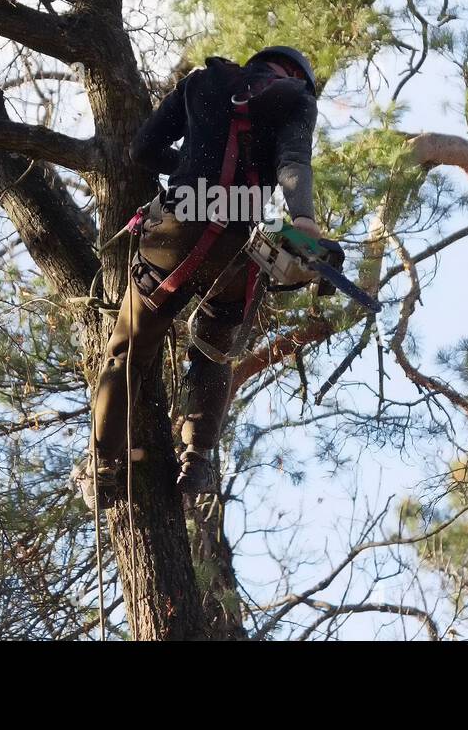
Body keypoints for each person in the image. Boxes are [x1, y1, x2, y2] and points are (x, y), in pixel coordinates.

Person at [77, 46, 322, 508]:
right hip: (235, 247)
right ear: (298, 76)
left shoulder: (199, 82)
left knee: (126, 352)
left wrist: (188, 165)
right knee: (212, 353)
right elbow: (293, 163)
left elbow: (142, 150)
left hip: (177, 230)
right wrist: (304, 220)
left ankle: (103, 465)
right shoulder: (296, 99)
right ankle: (197, 461)